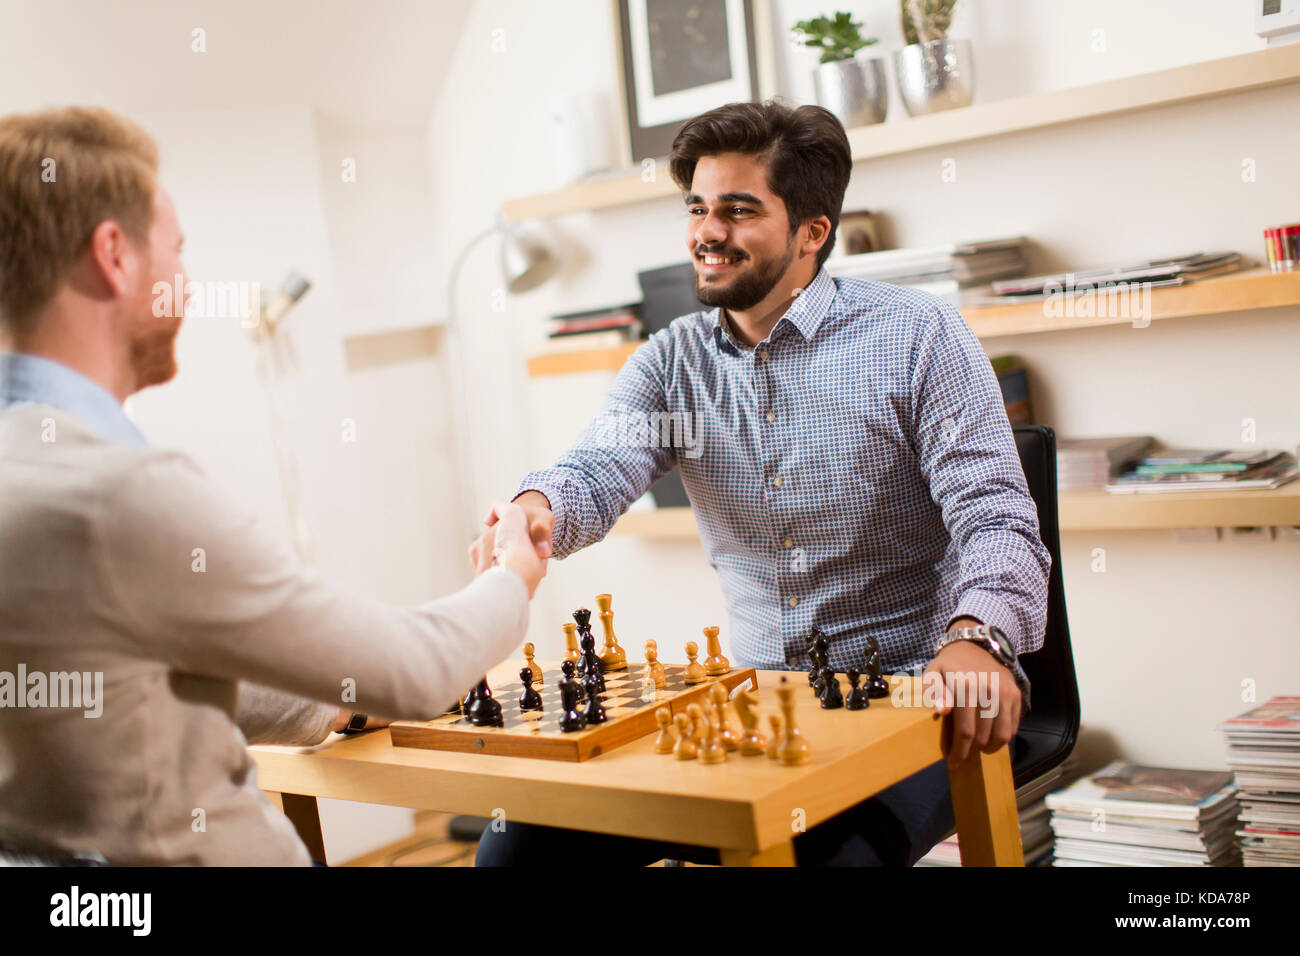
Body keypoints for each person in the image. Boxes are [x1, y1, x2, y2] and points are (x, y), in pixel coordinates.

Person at [471, 101, 1050, 867]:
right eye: (699, 208)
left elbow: (996, 517)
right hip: (760, 706)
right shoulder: (671, 361)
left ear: (812, 231)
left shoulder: (919, 335)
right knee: (513, 852)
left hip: (914, 700)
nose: (707, 232)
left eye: (739, 210)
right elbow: (594, 471)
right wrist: (535, 511)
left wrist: (976, 637)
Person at [0, 106, 546, 865]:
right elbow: (413, 671)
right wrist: (511, 576)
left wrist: (333, 697)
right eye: (178, 254)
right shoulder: (120, 495)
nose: (186, 285)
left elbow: (122, 678)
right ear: (114, 257)